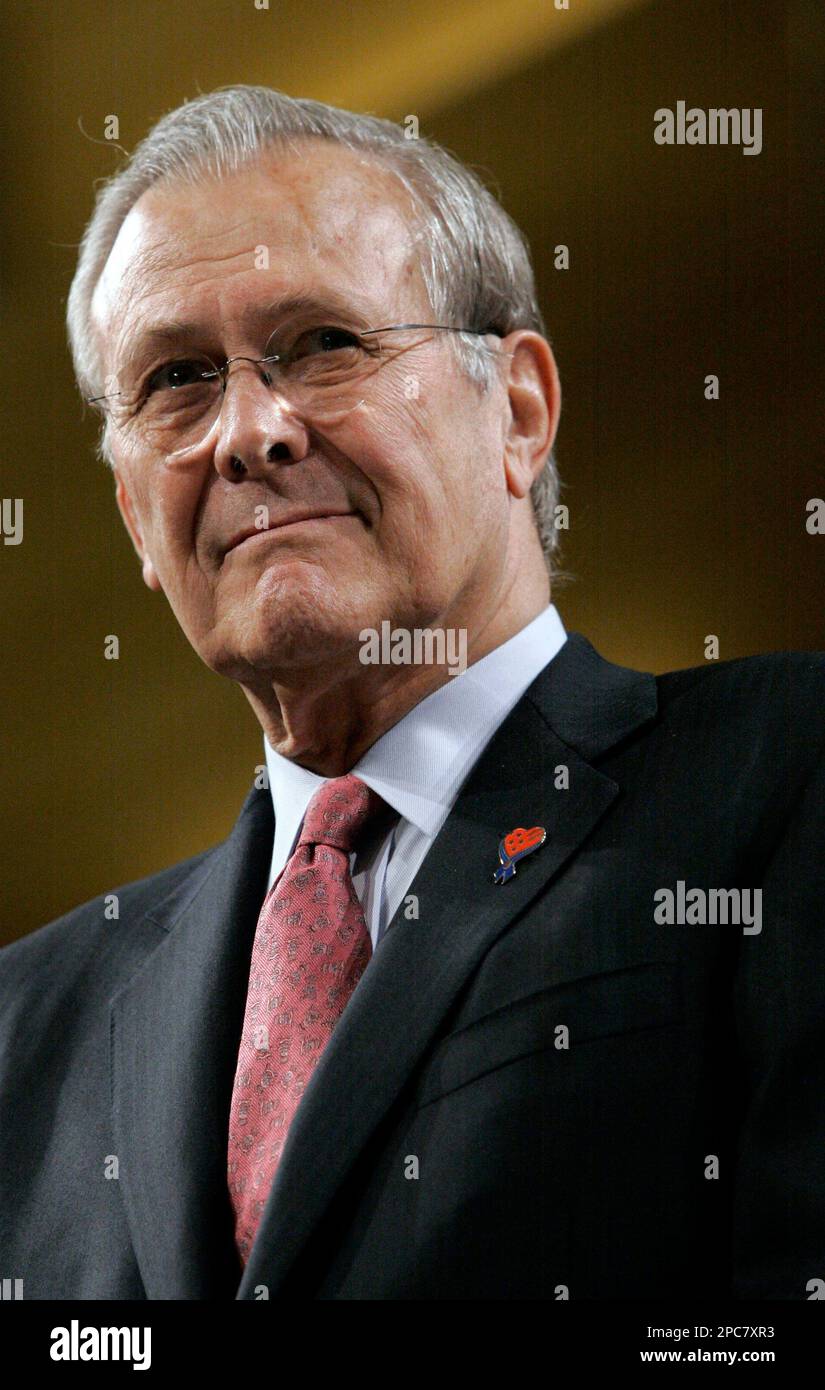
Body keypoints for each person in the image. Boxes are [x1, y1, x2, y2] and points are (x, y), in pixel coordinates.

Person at [0, 85, 822, 1301]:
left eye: (324, 344)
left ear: (521, 411)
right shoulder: (26, 1025)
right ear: (133, 513)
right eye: (177, 376)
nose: (249, 430)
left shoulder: (785, 774)